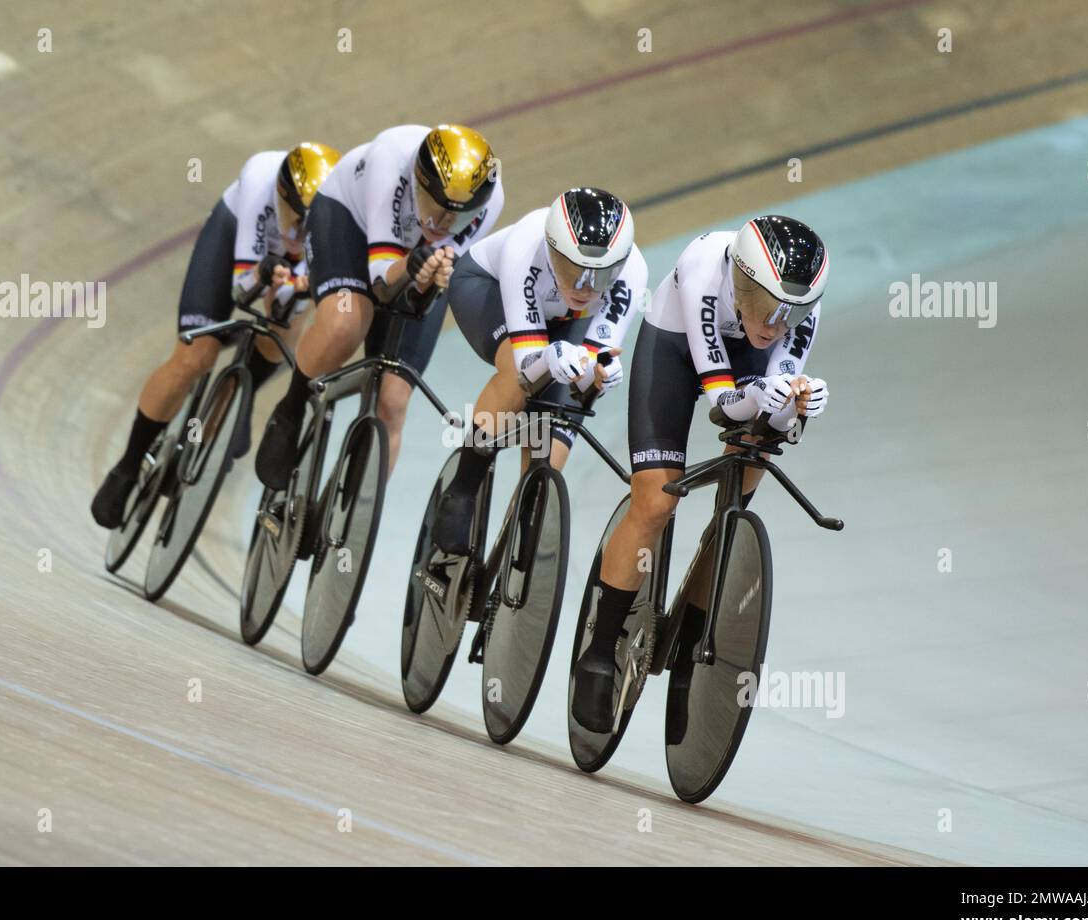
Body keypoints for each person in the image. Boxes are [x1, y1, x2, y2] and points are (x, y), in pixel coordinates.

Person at [570, 214, 832, 733]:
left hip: (745, 372)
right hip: (674, 351)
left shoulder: (801, 311)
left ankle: (691, 642)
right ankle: (597, 653)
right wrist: (760, 396)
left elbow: (770, 407)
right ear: (740, 280)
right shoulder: (703, 272)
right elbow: (722, 402)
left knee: (736, 506)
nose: (776, 324)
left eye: (791, 314)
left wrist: (797, 403)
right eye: (766, 307)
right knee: (656, 503)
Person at [90, 143, 341, 528]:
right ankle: (126, 467)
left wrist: (294, 289)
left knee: (283, 331)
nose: (296, 232)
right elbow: (242, 290)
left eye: (308, 227)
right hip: (232, 239)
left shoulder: (328, 225)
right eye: (293, 219)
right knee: (194, 358)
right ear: (280, 194)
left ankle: (237, 398)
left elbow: (285, 309)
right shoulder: (261, 180)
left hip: (284, 273)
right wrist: (263, 275)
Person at [253, 124, 504, 488]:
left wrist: (425, 276)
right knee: (346, 323)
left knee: (393, 401)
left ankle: (353, 515)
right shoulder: (390, 160)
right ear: (418, 183)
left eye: (459, 217)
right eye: (436, 207)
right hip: (347, 223)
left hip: (419, 258)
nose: (443, 223)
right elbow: (383, 283)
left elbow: (431, 281)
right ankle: (291, 409)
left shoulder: (492, 200)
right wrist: (414, 264)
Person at [429, 187, 648, 554]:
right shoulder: (527, 244)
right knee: (517, 374)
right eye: (572, 269)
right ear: (551, 250)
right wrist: (553, 356)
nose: (584, 287)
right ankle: (462, 490)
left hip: (565, 322)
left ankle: (518, 529)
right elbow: (530, 368)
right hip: (488, 290)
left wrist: (599, 375)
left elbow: (588, 372)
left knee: (557, 432)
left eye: (599, 275)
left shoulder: (632, 272)